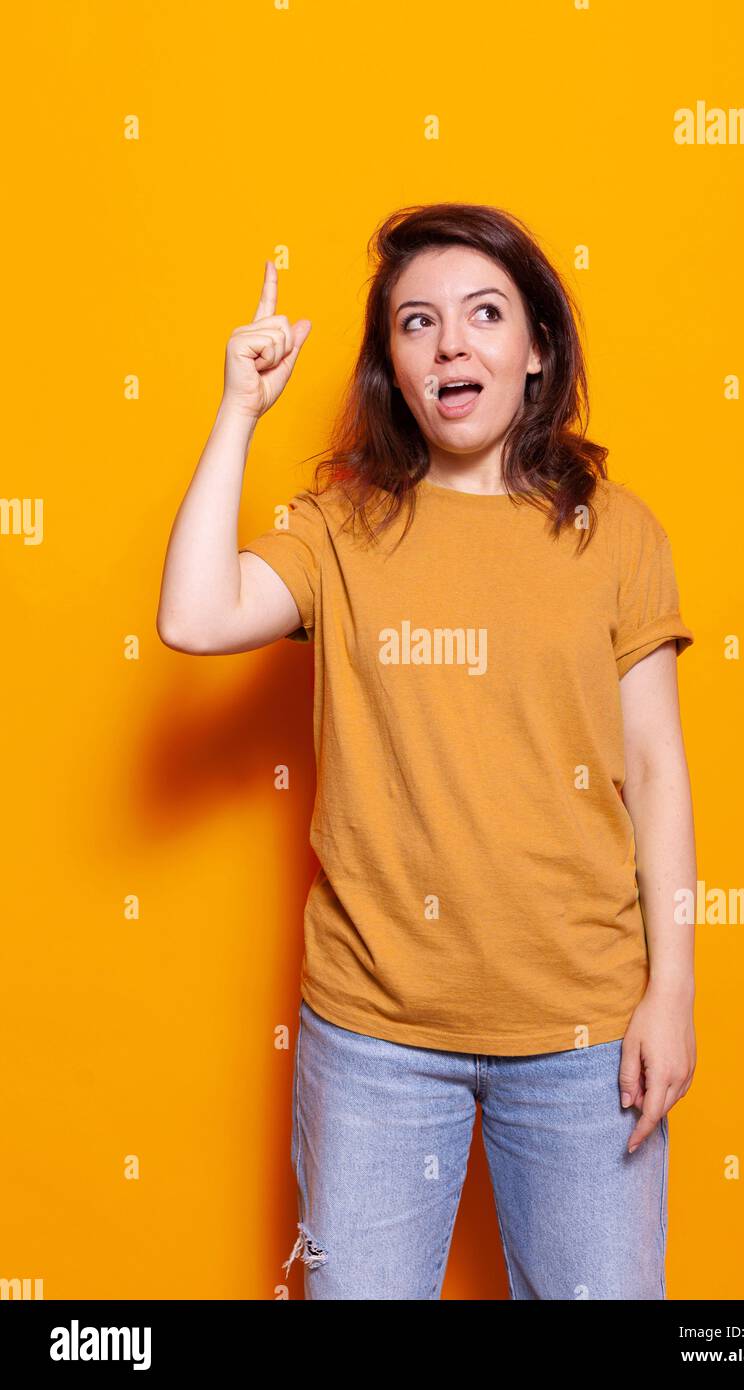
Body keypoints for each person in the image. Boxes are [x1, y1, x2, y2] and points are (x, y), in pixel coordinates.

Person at [157, 203, 698, 1301]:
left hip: (582, 1033)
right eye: (417, 323)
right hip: (373, 1039)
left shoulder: (616, 531)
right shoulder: (339, 531)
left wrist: (673, 987)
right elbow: (193, 614)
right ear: (392, 368)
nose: (450, 343)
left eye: (483, 314)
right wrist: (237, 410)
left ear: (535, 348)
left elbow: (653, 769)